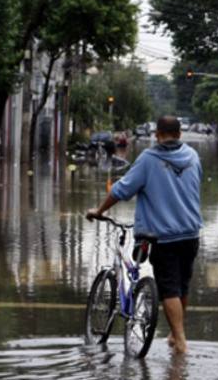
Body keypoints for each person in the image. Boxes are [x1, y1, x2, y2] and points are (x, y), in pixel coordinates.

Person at [86, 115, 202, 354]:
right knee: (182, 286)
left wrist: (99, 211)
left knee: (169, 289)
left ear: (157, 135)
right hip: (191, 233)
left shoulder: (149, 159)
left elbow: (121, 190)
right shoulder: (192, 156)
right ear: (179, 135)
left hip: (164, 236)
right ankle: (174, 334)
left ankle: (180, 341)